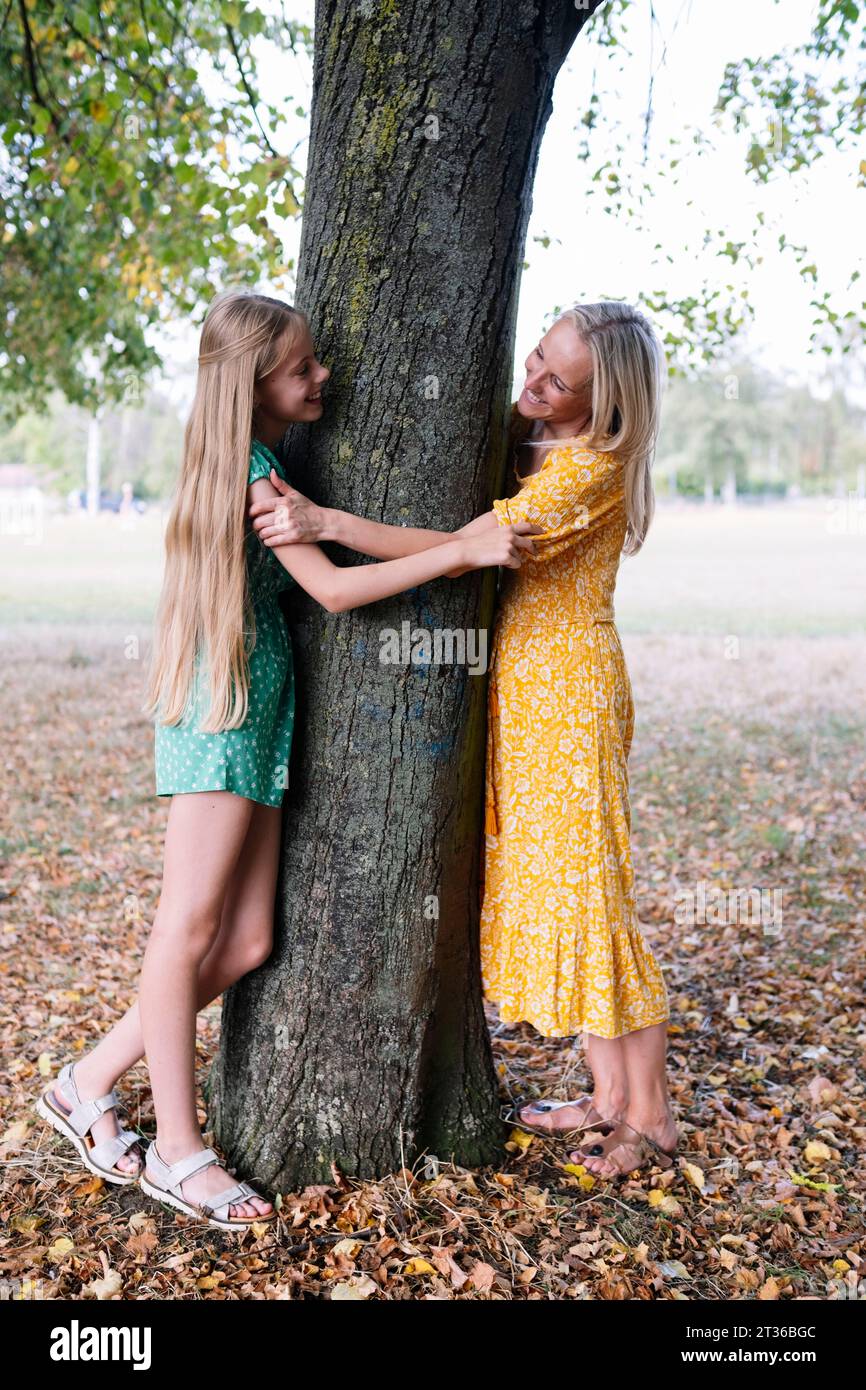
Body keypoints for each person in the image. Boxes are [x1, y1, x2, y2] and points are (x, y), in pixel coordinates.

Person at [35, 289, 537, 1230]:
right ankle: (179, 1155)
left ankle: (87, 1083)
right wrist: (462, 554)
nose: (323, 376)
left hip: (260, 703)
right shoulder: (255, 475)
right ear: (254, 383)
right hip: (225, 705)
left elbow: (347, 545)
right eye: (303, 366)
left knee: (248, 941)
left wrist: (469, 548)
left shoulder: (255, 465)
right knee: (184, 932)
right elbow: (338, 592)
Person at [247, 301, 678, 1180]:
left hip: (568, 692)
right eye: (537, 359)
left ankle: (654, 1113)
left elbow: (468, 545)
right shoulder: (535, 437)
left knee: (592, 895)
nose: (532, 382)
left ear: (609, 403)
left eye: (558, 381)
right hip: (521, 688)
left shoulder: (591, 466)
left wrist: (329, 525)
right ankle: (604, 1095)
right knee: (558, 887)